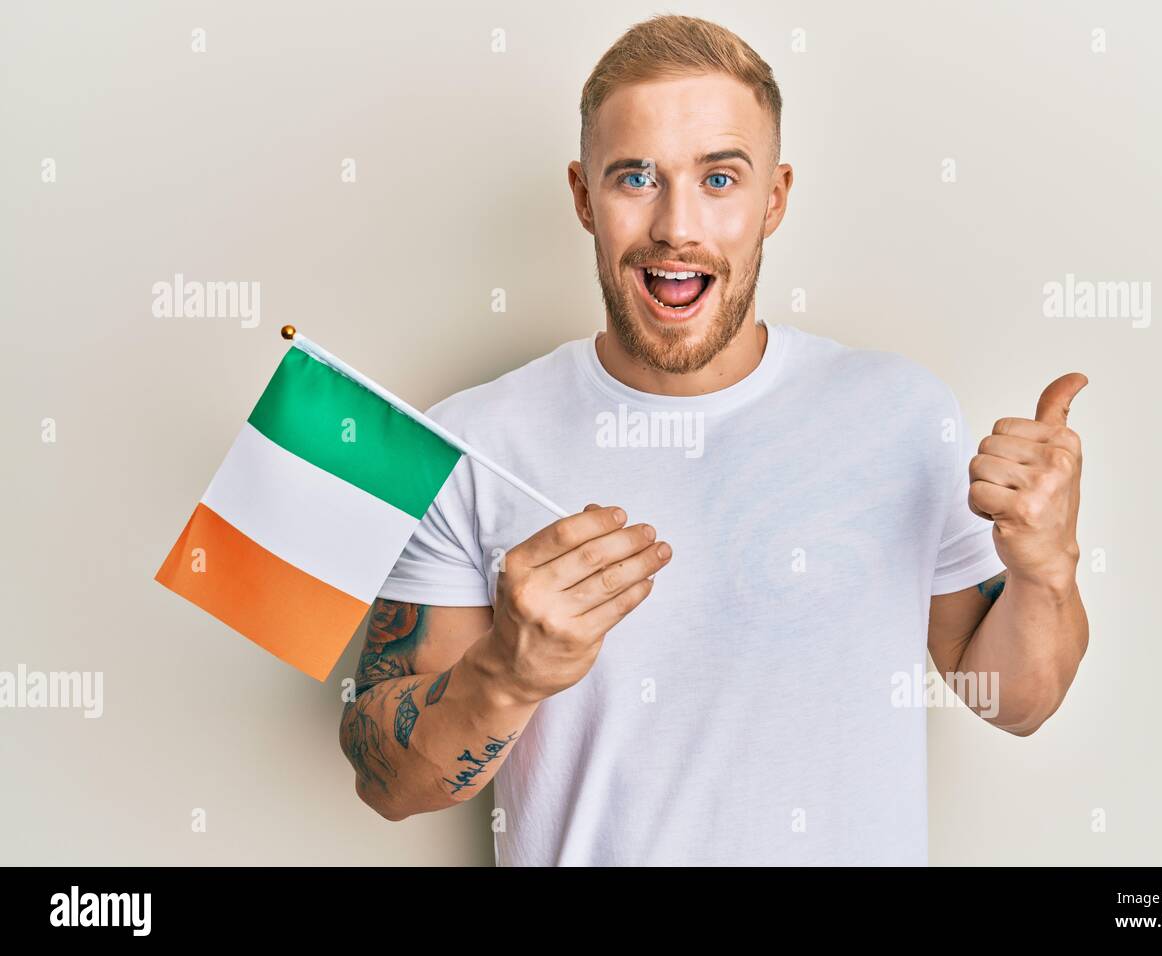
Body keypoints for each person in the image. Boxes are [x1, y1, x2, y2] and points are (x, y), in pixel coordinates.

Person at [338, 14, 1089, 866]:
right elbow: (387, 782)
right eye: (635, 178)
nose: (676, 227)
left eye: (721, 179)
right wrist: (506, 673)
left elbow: (1017, 702)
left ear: (775, 198)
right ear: (584, 197)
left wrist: (1046, 570)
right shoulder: (474, 442)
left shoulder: (902, 415)